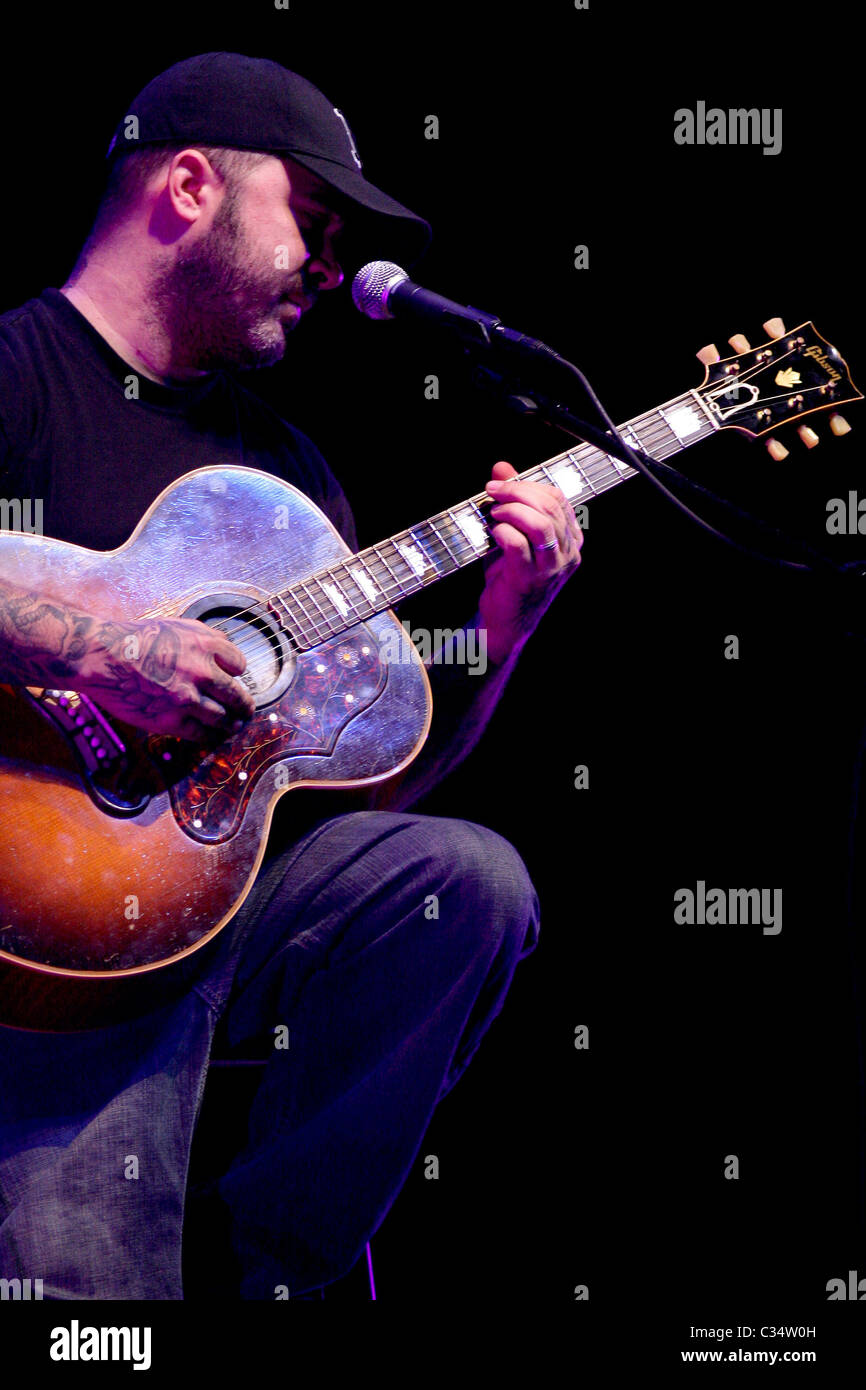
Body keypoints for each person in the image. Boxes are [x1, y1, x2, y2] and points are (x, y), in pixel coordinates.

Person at [0, 52, 583, 1300]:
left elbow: (361, 794)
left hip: (224, 907)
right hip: (38, 939)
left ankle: (274, 1280)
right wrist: (97, 648)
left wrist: (500, 627)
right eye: (310, 225)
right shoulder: (14, 371)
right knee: (83, 1310)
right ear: (191, 186)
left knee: (462, 877)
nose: (331, 268)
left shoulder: (288, 484)